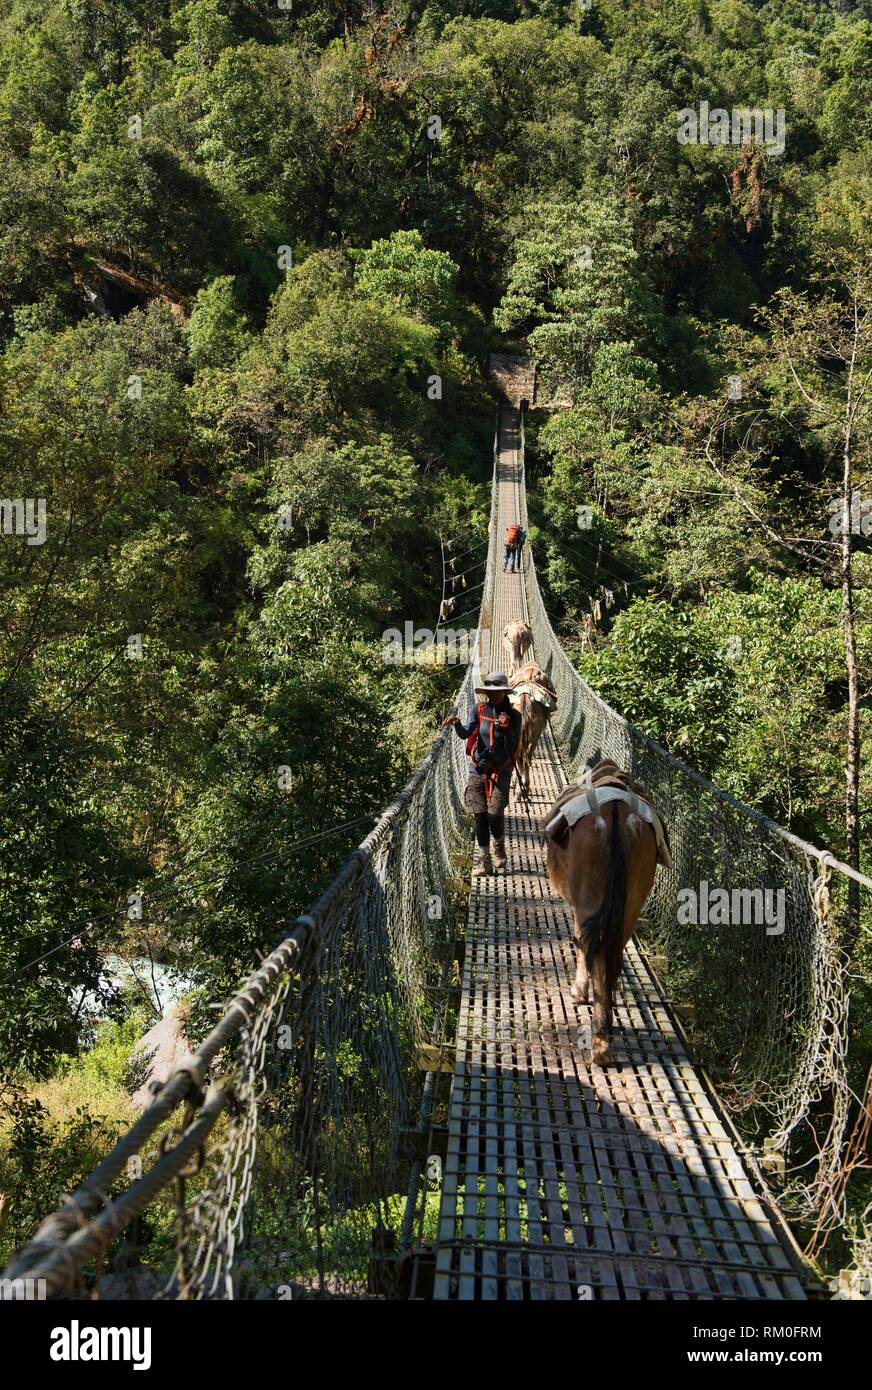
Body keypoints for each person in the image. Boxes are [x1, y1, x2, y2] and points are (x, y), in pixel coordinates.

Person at [441, 671, 522, 876]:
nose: (492, 695)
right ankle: (484, 861)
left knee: (494, 814)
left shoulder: (515, 715)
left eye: (497, 692)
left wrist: (506, 728)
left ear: (505, 693)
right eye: (489, 692)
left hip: (501, 769)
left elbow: (513, 746)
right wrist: (457, 723)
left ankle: (499, 846)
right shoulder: (478, 709)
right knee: (480, 815)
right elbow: (466, 733)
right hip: (477, 768)